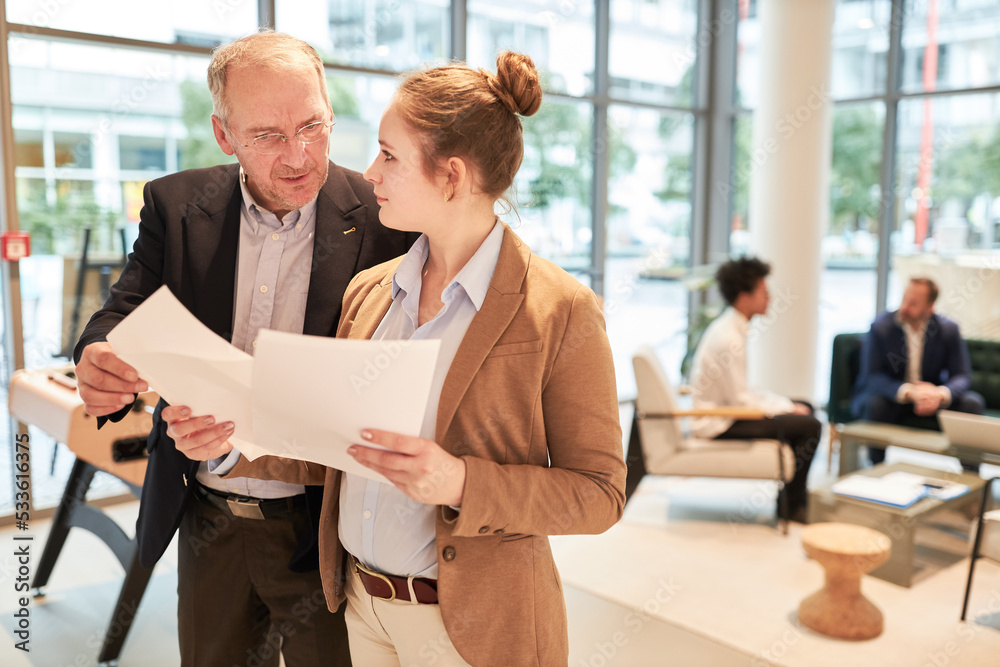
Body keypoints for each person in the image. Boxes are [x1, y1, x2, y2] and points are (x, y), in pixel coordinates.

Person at [160, 52, 627, 666]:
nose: (370, 172)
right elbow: (337, 447)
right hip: (361, 609)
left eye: (389, 155)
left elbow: (599, 495)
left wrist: (459, 482)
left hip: (472, 626)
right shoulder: (373, 292)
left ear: (452, 177)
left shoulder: (561, 310)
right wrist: (228, 441)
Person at [73, 30, 415, 667]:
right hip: (208, 520)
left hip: (326, 527)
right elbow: (122, 312)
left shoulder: (385, 213)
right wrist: (98, 356)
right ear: (225, 135)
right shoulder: (175, 206)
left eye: (313, 125)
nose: (299, 155)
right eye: (267, 135)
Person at [688, 256, 821, 523]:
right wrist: (788, 408)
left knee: (805, 406)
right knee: (810, 425)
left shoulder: (732, 327)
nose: (769, 298)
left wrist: (788, 404)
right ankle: (792, 506)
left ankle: (790, 499)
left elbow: (745, 392)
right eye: (764, 292)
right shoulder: (728, 337)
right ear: (744, 296)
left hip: (729, 411)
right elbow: (741, 401)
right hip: (720, 421)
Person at [851, 276, 985, 467]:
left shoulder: (948, 330)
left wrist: (940, 394)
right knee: (876, 404)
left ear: (930, 308)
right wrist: (908, 392)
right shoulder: (880, 328)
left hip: (931, 397)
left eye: (913, 303)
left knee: (972, 403)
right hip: (894, 397)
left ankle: (972, 480)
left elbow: (962, 375)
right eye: (904, 299)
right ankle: (876, 467)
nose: (904, 307)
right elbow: (871, 377)